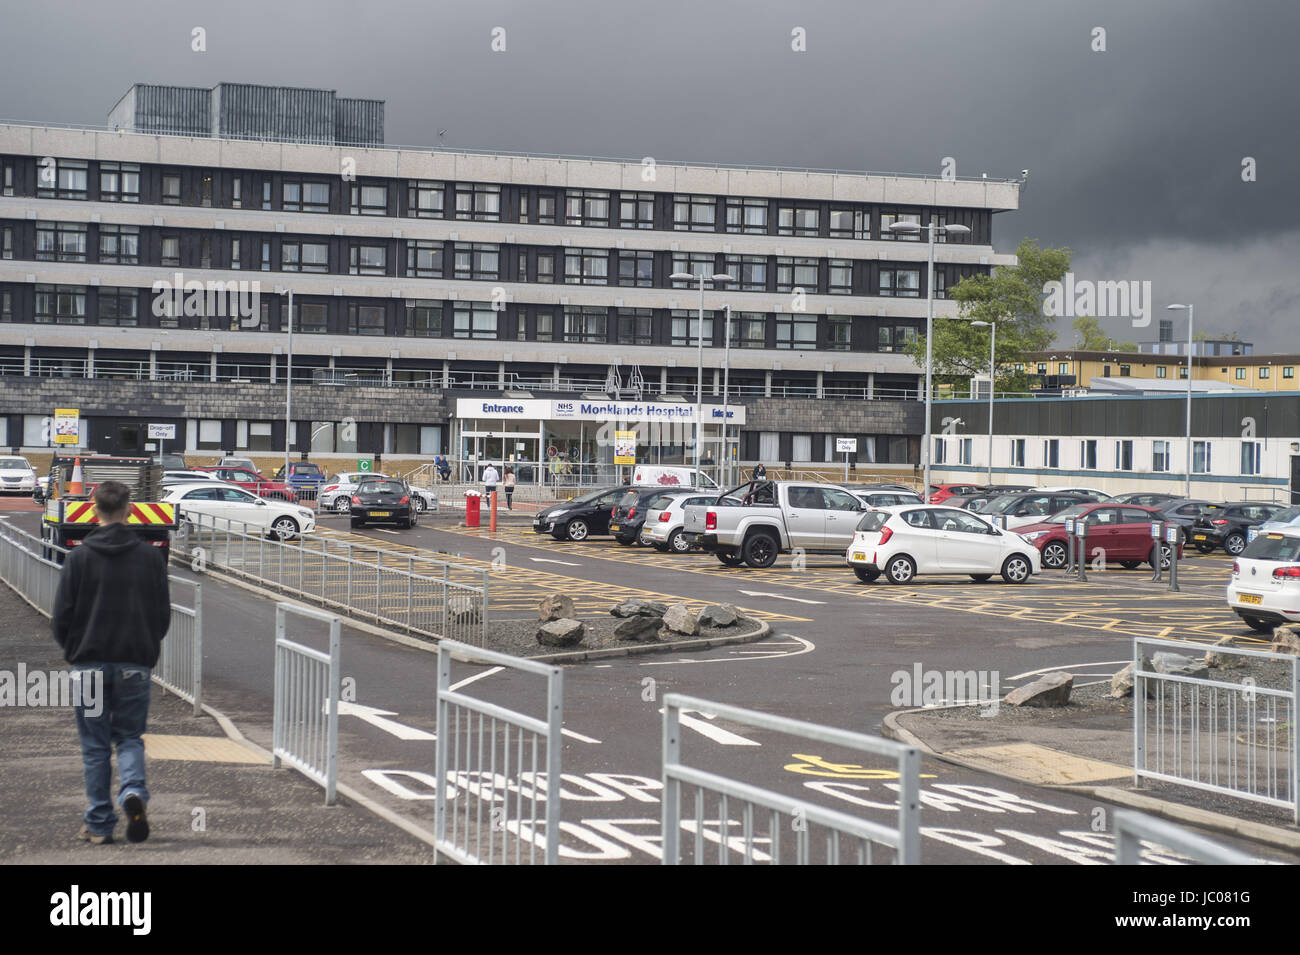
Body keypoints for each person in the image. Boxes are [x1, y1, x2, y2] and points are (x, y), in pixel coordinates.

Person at [51, 480, 171, 845]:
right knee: (130, 737)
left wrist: (75, 652)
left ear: (93, 510)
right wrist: (147, 651)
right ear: (130, 510)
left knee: (95, 747)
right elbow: (161, 616)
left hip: (88, 665)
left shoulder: (80, 557)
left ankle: (100, 824)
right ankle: (132, 792)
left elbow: (61, 618)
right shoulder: (151, 558)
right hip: (134, 663)